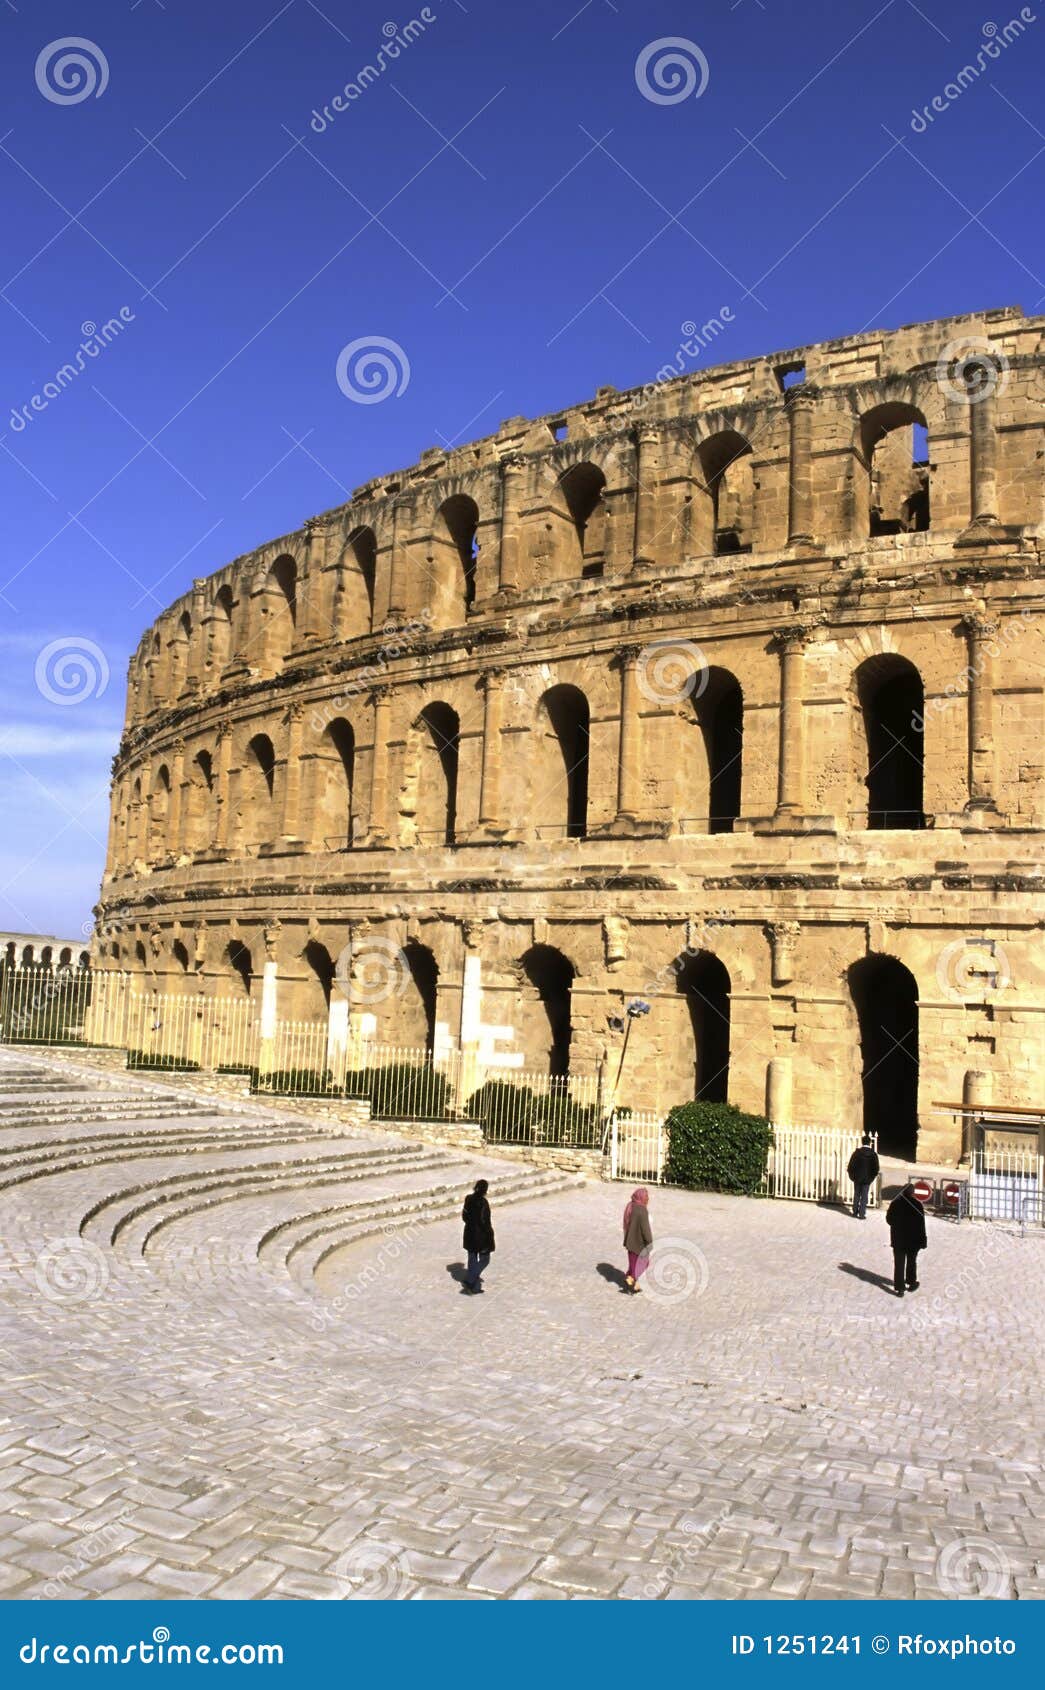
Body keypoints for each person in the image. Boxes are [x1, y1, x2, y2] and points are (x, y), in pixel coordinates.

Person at [886, 1182, 927, 1296]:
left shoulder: (895, 1204)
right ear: (913, 1193)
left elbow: (889, 1220)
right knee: (911, 1262)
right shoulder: (918, 1205)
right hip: (913, 1240)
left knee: (899, 1264)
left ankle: (900, 1288)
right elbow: (921, 1225)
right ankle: (911, 1282)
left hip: (898, 1239)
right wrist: (923, 1240)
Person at [461, 1178, 495, 1293]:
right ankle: (471, 1280)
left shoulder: (468, 1199)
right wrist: (489, 1234)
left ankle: (474, 1287)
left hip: (469, 1233)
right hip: (481, 1236)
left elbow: (464, 1216)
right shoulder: (483, 1203)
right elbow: (485, 1221)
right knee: (485, 1259)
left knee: (472, 1259)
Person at [622, 1187, 652, 1293]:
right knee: (644, 1263)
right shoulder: (642, 1210)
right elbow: (645, 1229)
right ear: (641, 1197)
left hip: (630, 1242)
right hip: (639, 1244)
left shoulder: (631, 1206)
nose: (648, 1199)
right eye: (646, 1196)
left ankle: (635, 1284)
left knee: (633, 1264)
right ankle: (630, 1278)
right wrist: (649, 1242)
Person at [847, 1133, 880, 1219]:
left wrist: (852, 1176)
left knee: (856, 1194)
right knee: (864, 1196)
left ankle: (854, 1212)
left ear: (862, 1142)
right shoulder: (873, 1154)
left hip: (857, 1178)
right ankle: (862, 1214)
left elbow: (851, 1166)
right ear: (870, 1143)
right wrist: (871, 1177)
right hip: (867, 1179)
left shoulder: (857, 1153)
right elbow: (876, 1168)